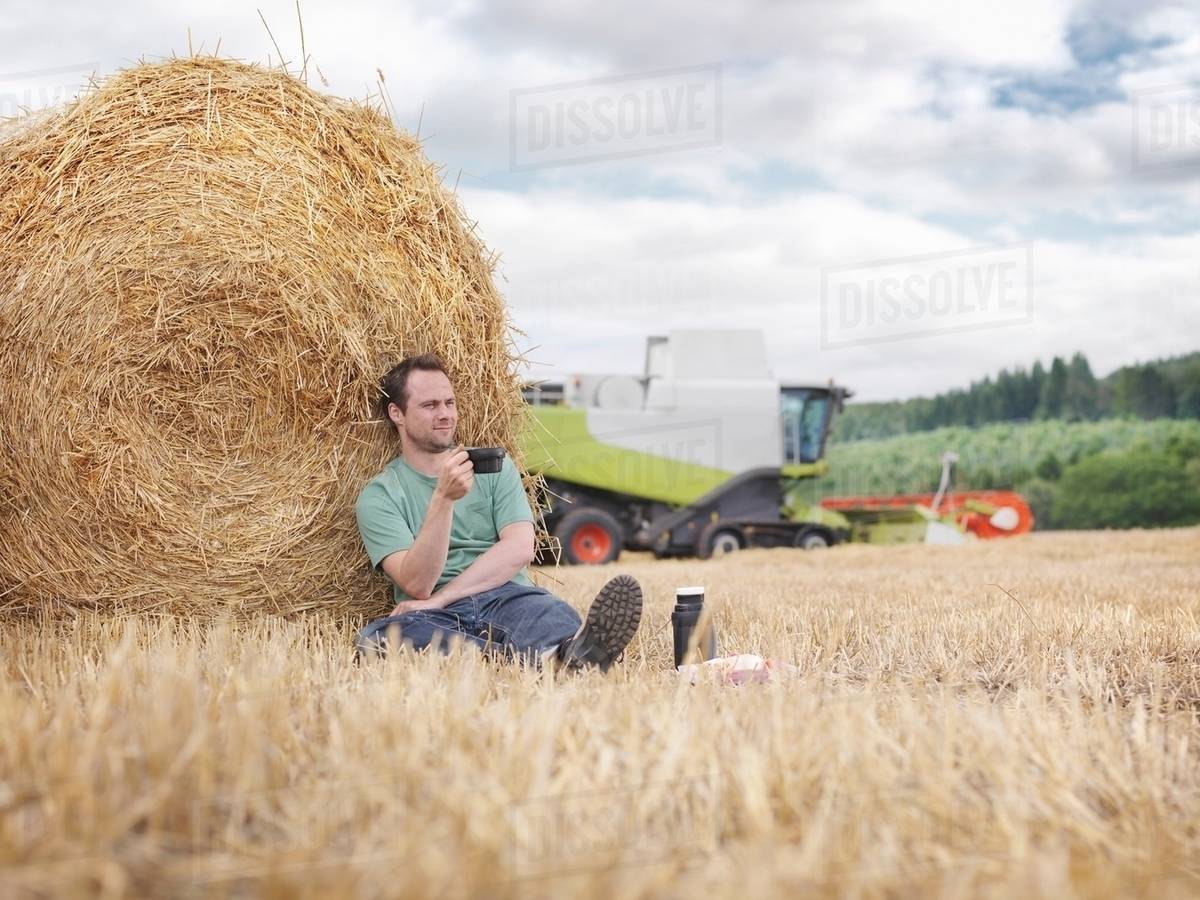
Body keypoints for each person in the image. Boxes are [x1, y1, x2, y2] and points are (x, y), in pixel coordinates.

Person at [354, 353, 643, 672]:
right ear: (397, 413)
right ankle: (548, 659)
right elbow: (418, 585)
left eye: (449, 403)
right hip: (433, 616)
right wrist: (443, 500)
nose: (446, 414)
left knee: (553, 614)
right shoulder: (380, 496)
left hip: (506, 597)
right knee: (378, 638)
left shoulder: (494, 468)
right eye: (430, 405)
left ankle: (514, 657)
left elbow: (519, 548)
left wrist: (443, 597)